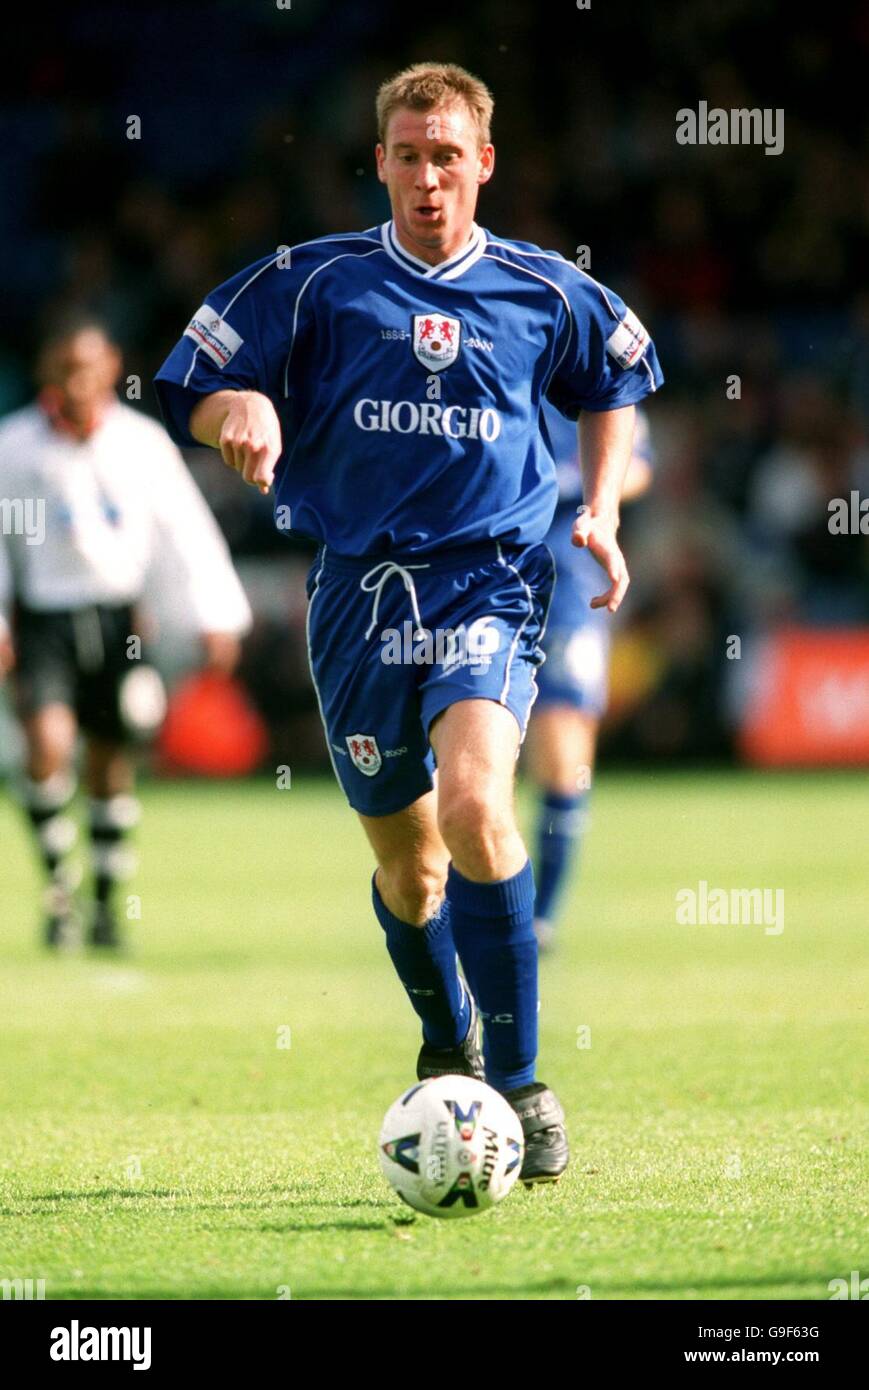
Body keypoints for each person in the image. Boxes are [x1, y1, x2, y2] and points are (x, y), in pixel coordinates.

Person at [154, 62, 662, 1186]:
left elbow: (618, 380)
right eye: (406, 155)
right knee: (410, 870)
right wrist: (230, 407)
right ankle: (448, 1039)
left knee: (479, 804)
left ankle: (522, 1084)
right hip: (356, 594)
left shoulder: (545, 289)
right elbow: (197, 378)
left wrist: (601, 507)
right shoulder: (311, 283)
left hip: (490, 581)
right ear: (378, 162)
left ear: (484, 162)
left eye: (447, 156)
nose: (427, 178)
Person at [0, 316, 252, 950]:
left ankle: (106, 904)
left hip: (121, 620)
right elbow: (5, 542)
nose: (75, 381)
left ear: (112, 368)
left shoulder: (141, 444)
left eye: (87, 368)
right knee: (46, 746)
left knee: (112, 763)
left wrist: (215, 613)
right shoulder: (16, 448)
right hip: (45, 618)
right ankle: (61, 889)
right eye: (63, 369)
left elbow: (185, 533)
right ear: (45, 374)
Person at [526, 402, 654, 951]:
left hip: (572, 592)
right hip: (482, 580)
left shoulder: (599, 382)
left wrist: (577, 485)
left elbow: (641, 466)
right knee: (477, 766)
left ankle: (541, 918)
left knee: (563, 759)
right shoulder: (491, 355)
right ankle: (476, 910)